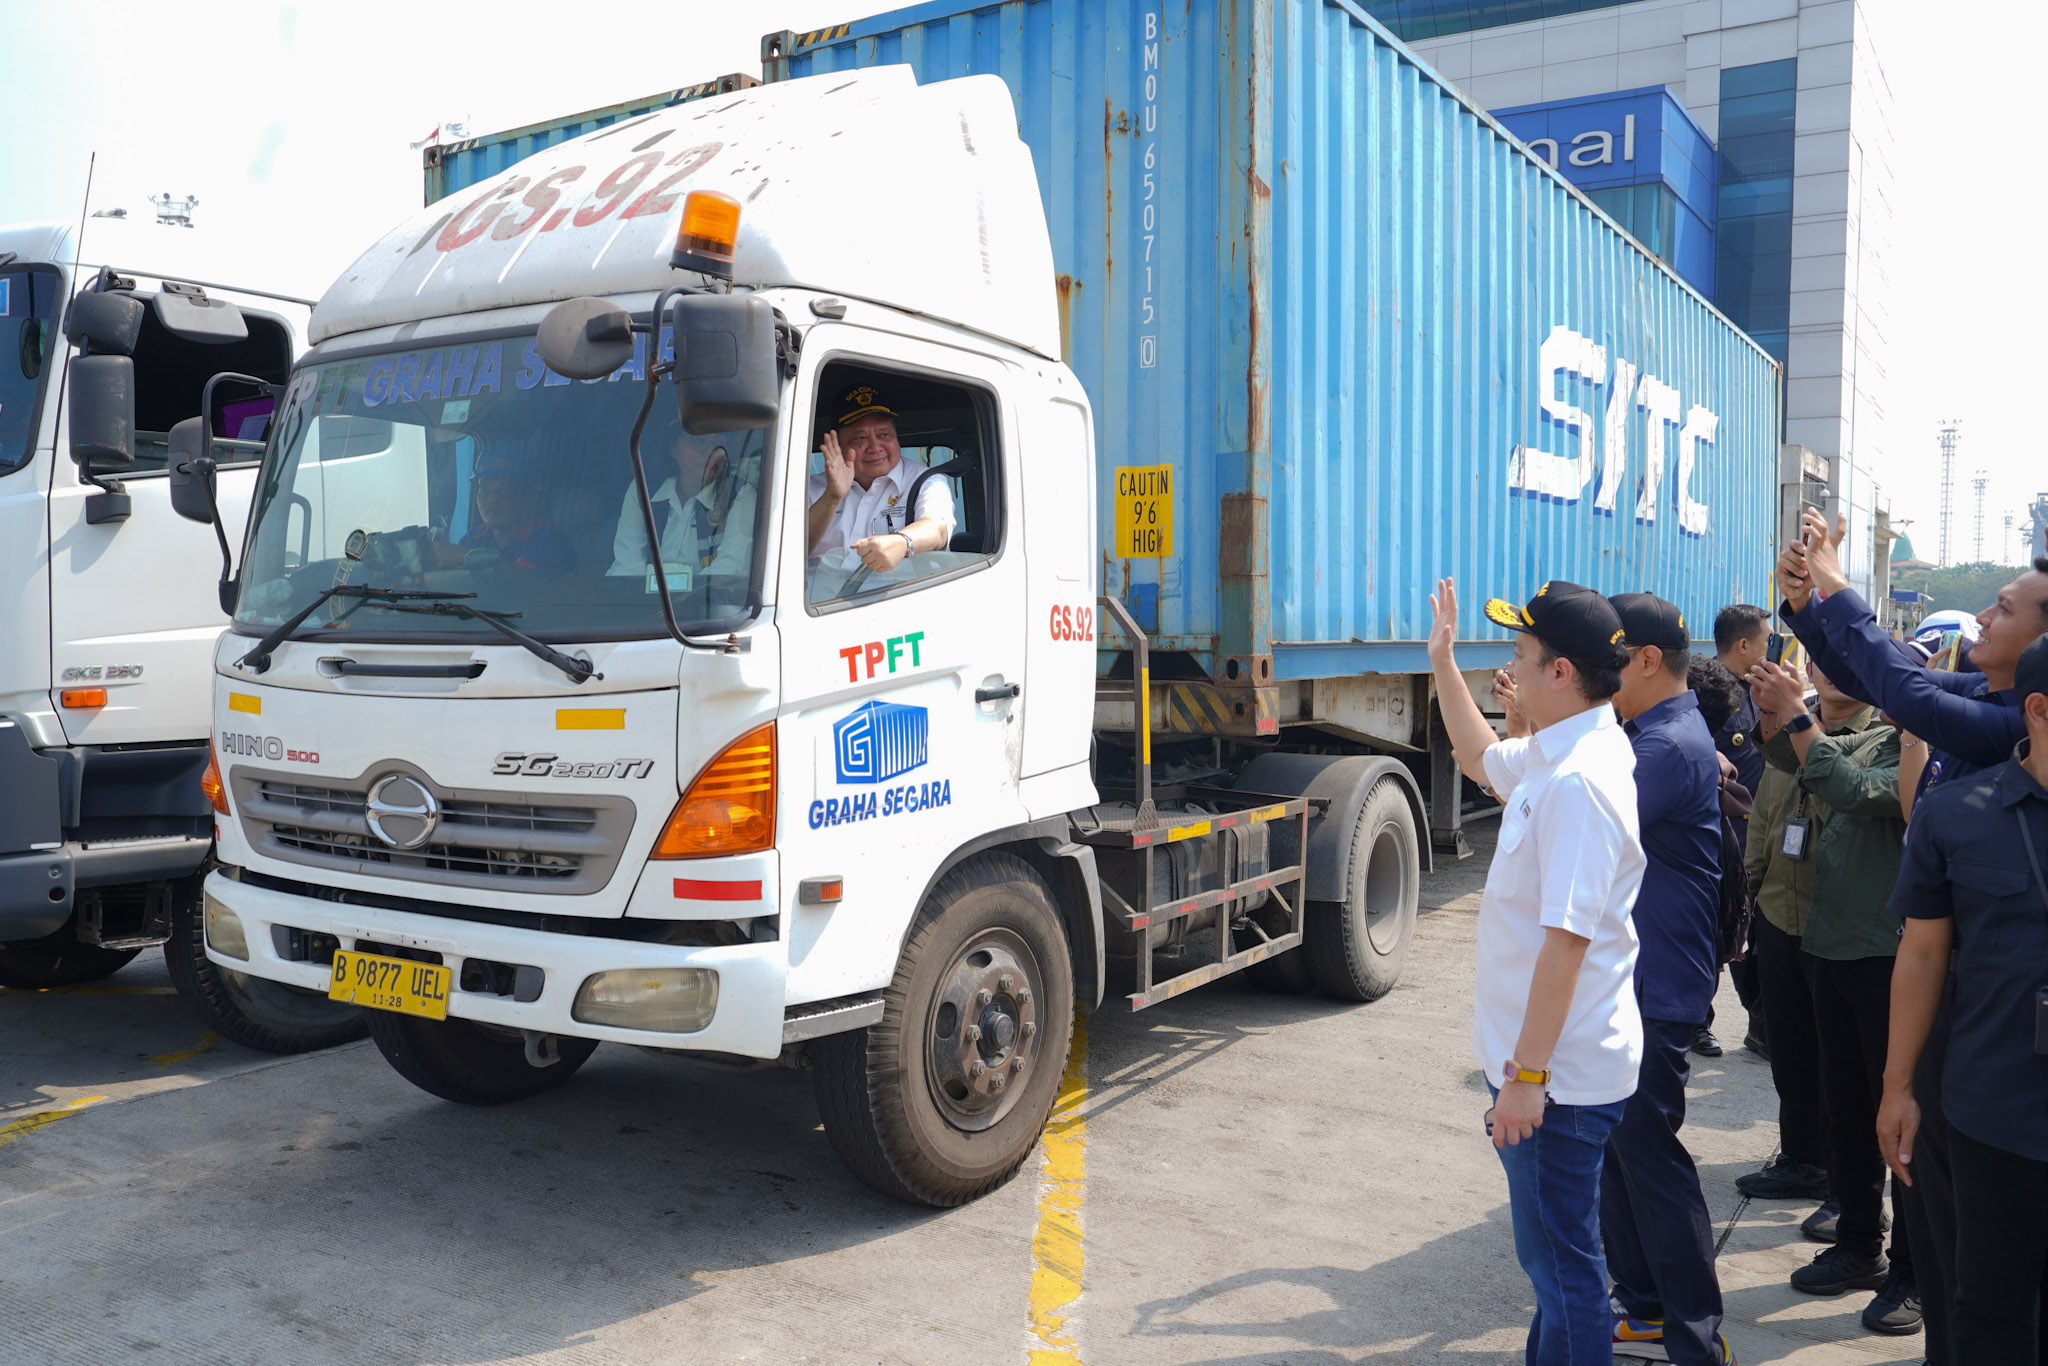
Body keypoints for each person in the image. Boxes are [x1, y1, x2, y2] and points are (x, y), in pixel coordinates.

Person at [1781, 508, 2048, 1361]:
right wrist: (1811, 607)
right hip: (1948, 1005)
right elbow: (1899, 670)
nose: (1985, 618)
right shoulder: (1991, 699)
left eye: (2005, 608)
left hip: (1987, 1016)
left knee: (1983, 1252)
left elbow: (1904, 691)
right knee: (1935, 1207)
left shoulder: (2013, 727)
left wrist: (1834, 583)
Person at [1427, 576, 1646, 1365]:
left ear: (1561, 672)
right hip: (1543, 1071)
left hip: (1558, 1082)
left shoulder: (1581, 783)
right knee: (1551, 1265)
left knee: (1566, 1273)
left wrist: (1527, 1076)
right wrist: (1442, 661)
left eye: (1522, 653)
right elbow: (1478, 754)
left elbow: (1567, 943)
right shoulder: (1560, 752)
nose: (1511, 669)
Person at [1881, 633, 2048, 1362]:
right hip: (1994, 1115)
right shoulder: (1957, 815)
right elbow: (1920, 954)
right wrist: (1897, 1089)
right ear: (2038, 710)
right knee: (1989, 1306)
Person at [1748, 656, 1920, 1335]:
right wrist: (1780, 708)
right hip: (1827, 944)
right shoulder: (1852, 733)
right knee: (1845, 1107)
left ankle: (1910, 1268)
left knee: (1896, 1119)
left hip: (1885, 954)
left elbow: (1849, 788)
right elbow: (1789, 761)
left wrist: (1795, 713)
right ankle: (1858, 1246)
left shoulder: (1916, 749)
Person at [1598, 593, 1734, 1366]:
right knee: (1622, 1152)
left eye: (1608, 661)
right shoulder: (1655, 736)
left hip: (1656, 988)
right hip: (1635, 981)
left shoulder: (1667, 748)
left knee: (1649, 1155)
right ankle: (1647, 1308)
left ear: (1647, 660)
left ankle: (1694, 1335)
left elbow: (1576, 823)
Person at [806, 384, 954, 572]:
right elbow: (790, 551)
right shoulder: (813, 488)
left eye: (883, 435)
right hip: (815, 599)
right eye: (860, 438)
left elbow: (937, 529)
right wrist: (832, 497)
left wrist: (902, 543)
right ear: (840, 445)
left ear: (896, 438)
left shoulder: (926, 481)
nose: (875, 447)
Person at [1712, 604, 1772, 1058]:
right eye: (1767, 640)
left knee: (1748, 929)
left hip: (1757, 829)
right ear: (1744, 644)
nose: (1770, 647)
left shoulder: (1755, 689)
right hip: (1720, 830)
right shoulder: (1707, 690)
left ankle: (1759, 1023)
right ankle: (1695, 1022)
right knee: (1716, 926)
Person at [608, 432, 757, 581]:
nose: (710, 451)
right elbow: (627, 569)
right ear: (673, 448)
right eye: (698, 441)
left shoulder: (739, 495)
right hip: (643, 604)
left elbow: (729, 572)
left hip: (705, 603)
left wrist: (679, 597)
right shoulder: (643, 490)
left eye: (718, 442)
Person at [446, 448, 575, 571]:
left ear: (530, 497)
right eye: (484, 489)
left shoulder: (551, 541)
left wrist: (466, 556)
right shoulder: (472, 539)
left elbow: (536, 586)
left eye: (503, 489)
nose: (492, 500)